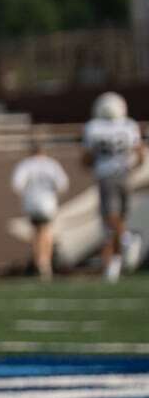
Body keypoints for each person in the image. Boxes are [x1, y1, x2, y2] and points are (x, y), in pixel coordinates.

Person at [82, 92, 142, 283]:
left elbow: (87, 158)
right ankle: (114, 266)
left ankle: (126, 240)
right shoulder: (130, 126)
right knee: (117, 221)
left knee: (111, 219)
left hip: (106, 177)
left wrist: (93, 163)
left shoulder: (93, 128)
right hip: (125, 176)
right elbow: (140, 154)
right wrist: (130, 167)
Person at [9, 138, 70, 281]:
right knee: (46, 231)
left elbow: (16, 185)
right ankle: (45, 264)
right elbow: (63, 185)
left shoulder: (26, 164)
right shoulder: (51, 164)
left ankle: (39, 263)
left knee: (37, 232)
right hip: (48, 202)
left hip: (31, 203)